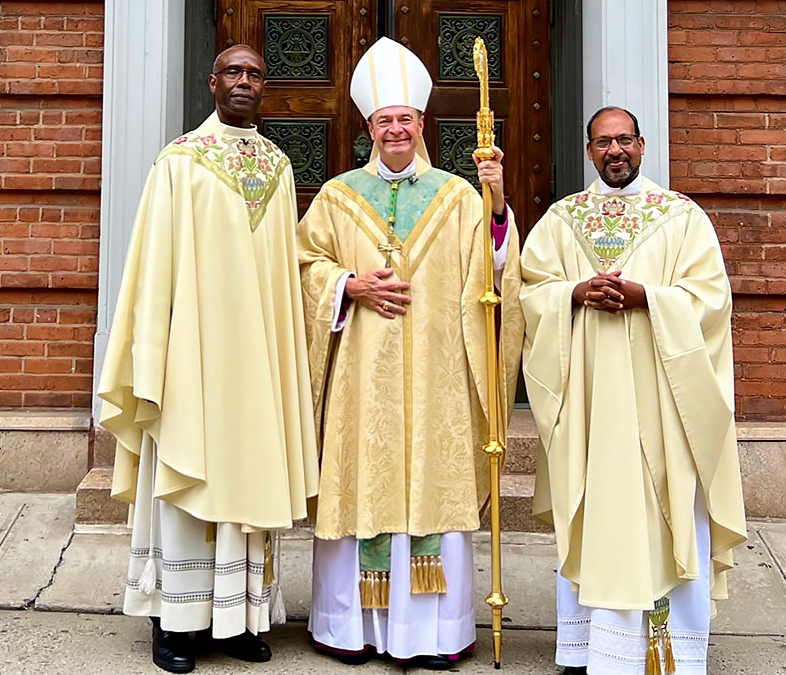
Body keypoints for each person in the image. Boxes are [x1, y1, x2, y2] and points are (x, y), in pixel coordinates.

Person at [297, 37, 524, 671]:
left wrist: (498, 200)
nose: (395, 129)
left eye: (405, 119)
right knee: (361, 477)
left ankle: (430, 635)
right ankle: (353, 630)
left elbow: (498, 271)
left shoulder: (459, 197)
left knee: (434, 479)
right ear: (369, 127)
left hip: (437, 376)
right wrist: (350, 285)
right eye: (383, 120)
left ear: (422, 124)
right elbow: (303, 266)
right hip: (360, 377)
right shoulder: (338, 197)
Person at [97, 45, 319, 673]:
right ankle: (173, 620)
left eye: (254, 74)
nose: (244, 82)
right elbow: (153, 266)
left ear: (263, 87)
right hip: (192, 352)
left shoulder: (277, 166)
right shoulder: (180, 162)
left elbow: (283, 272)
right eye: (233, 73)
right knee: (187, 475)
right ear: (213, 82)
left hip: (258, 356)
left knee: (247, 469)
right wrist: (154, 356)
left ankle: (237, 618)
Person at [520, 106, 747, 675]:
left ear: (643, 146)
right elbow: (530, 290)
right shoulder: (563, 218)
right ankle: (588, 648)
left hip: (662, 404)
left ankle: (665, 652)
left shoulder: (681, 216)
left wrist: (651, 297)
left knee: (662, 506)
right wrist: (573, 292)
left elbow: (711, 299)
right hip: (591, 404)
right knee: (597, 507)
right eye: (603, 142)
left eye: (624, 140)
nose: (614, 150)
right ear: (588, 152)